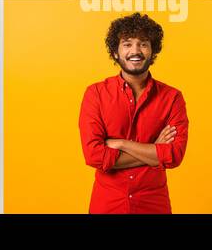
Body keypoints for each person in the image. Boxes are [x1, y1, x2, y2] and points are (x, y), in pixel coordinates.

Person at [79, 13, 187, 213]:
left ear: (153, 51)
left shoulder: (172, 98)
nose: (135, 51)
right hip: (108, 205)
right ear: (115, 52)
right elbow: (94, 156)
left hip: (154, 205)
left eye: (143, 44)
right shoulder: (95, 94)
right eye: (127, 44)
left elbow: (173, 155)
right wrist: (154, 150)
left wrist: (120, 144)